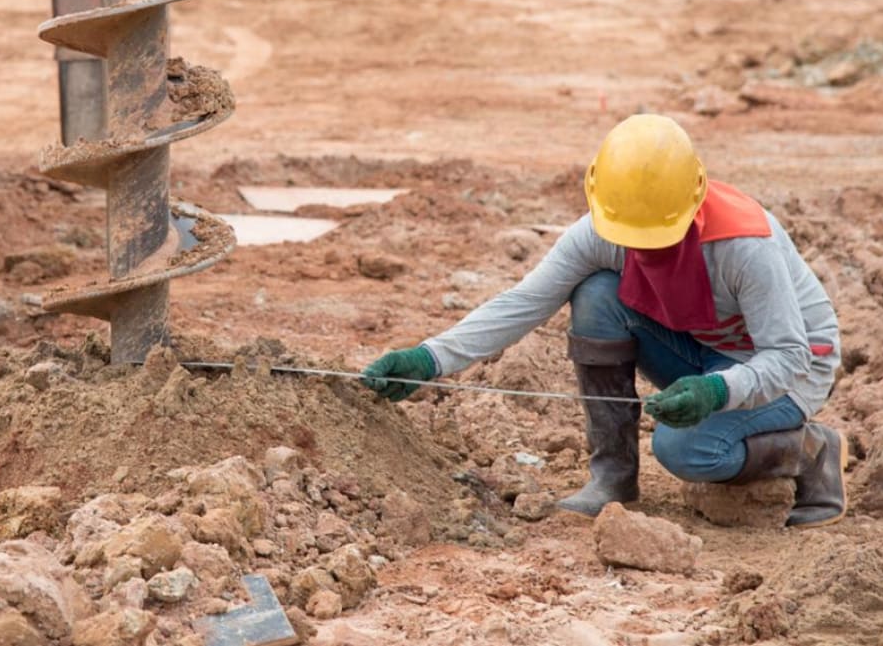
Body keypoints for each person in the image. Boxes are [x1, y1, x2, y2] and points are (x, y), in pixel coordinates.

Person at [361, 114, 847, 528]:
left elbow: (788, 354)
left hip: (791, 369)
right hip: (702, 348)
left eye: (657, 235)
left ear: (692, 201)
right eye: (631, 236)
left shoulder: (742, 246)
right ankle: (613, 475)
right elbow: (525, 301)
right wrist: (429, 358)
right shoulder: (601, 228)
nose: (642, 247)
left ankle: (811, 449)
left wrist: (718, 390)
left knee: (685, 452)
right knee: (596, 295)